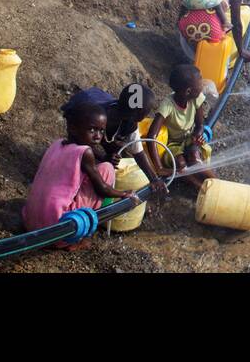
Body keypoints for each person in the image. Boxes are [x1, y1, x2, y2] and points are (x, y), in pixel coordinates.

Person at [21, 102, 134, 241]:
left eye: (101, 131)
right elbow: (102, 189)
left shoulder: (57, 144)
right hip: (59, 229)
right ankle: (78, 237)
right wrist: (125, 194)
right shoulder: (85, 153)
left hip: (29, 221)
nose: (98, 136)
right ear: (73, 128)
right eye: (92, 130)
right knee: (107, 169)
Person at [59, 84, 168, 196]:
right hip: (81, 106)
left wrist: (154, 178)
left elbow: (138, 152)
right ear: (139, 112)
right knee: (78, 150)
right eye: (147, 111)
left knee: (115, 150)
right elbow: (80, 142)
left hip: (99, 108)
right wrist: (102, 157)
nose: (148, 114)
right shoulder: (95, 118)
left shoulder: (129, 121)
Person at [143, 64, 215, 191]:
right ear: (188, 91)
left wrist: (197, 135)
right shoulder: (168, 106)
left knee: (194, 157)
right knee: (181, 165)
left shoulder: (196, 98)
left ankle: (217, 185)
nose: (202, 85)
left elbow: (199, 125)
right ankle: (201, 190)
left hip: (189, 138)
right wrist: (159, 168)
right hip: (172, 144)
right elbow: (151, 136)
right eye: (200, 83)